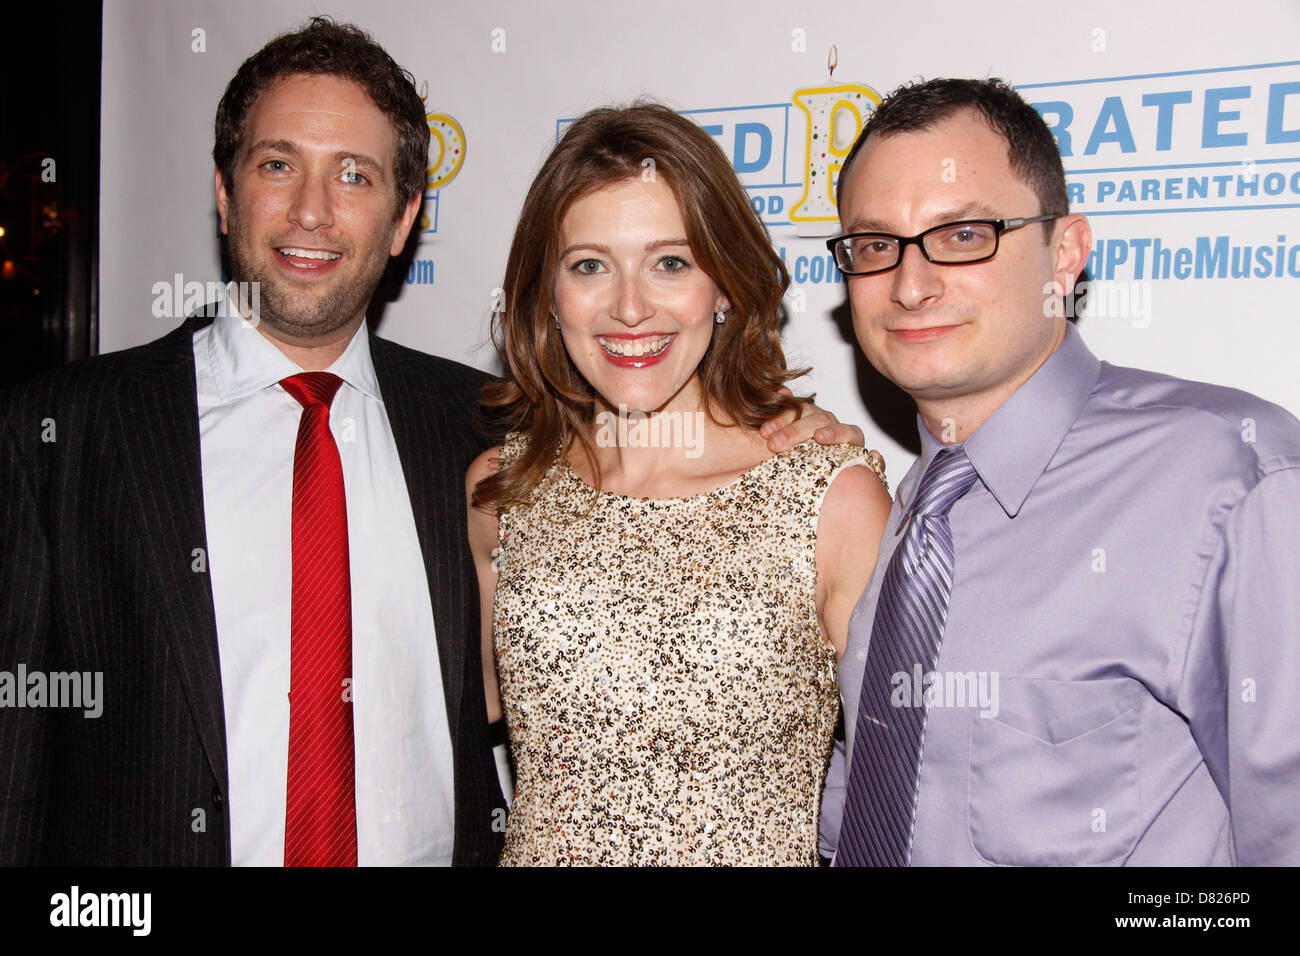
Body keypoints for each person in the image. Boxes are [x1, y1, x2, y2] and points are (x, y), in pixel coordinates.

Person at [0, 16, 510, 867]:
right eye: (278, 165)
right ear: (227, 193)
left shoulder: (481, 427)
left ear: (403, 218)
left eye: (354, 175)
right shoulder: (57, 435)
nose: (311, 210)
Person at [821, 77, 1300, 866]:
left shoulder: (1225, 476)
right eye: (876, 245)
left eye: (964, 232)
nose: (910, 284)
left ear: (1066, 253)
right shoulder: (892, 512)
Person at [467, 103, 893, 866]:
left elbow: (902, 792)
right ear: (547, 296)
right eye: (589, 265)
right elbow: (458, 720)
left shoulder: (829, 499)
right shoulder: (503, 492)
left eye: (671, 262)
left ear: (725, 286)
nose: (630, 308)